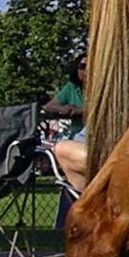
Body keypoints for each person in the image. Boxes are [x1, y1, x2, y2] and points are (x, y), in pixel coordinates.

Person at [42, 53, 89, 192]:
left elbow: (104, 108)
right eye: (82, 66)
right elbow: (49, 106)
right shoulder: (71, 88)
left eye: (90, 66)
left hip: (93, 137)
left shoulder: (101, 86)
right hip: (77, 137)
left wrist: (79, 111)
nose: (86, 70)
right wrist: (65, 108)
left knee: (62, 149)